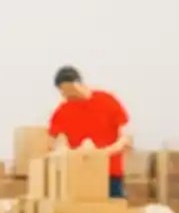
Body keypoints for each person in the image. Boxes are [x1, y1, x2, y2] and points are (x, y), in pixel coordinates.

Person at [47, 66, 133, 198]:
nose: (67, 96)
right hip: (79, 174)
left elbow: (125, 138)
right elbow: (55, 144)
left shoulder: (107, 101)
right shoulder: (62, 112)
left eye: (69, 91)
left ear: (79, 84)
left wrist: (103, 153)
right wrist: (70, 153)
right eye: (63, 92)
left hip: (110, 173)